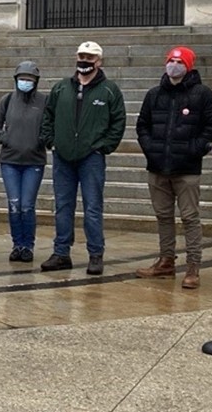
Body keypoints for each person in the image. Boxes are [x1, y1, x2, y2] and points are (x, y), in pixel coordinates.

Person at [134, 46, 212, 290]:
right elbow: (142, 125)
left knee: (190, 217)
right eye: (171, 61)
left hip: (187, 169)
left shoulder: (202, 94)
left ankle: (193, 267)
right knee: (163, 216)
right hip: (158, 166)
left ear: (188, 66)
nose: (174, 65)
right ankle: (166, 261)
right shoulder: (154, 94)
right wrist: (150, 148)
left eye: (179, 61)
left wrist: (193, 149)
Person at [39, 41, 126, 275]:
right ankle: (61, 253)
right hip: (63, 156)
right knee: (63, 206)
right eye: (81, 56)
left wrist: (104, 147)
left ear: (99, 61)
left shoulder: (109, 90)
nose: (84, 61)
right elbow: (48, 116)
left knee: (93, 208)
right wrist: (51, 141)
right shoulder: (61, 88)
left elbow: (118, 122)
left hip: (91, 158)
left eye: (90, 57)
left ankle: (95, 254)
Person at [0, 60, 48, 263]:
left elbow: (51, 126)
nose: (25, 82)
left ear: (36, 81)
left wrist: (42, 140)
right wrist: (6, 139)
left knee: (27, 205)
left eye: (29, 79)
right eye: (22, 79)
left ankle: (28, 245)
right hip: (10, 161)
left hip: (34, 161)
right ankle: (17, 244)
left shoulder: (44, 101)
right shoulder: (7, 100)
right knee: (14, 204)